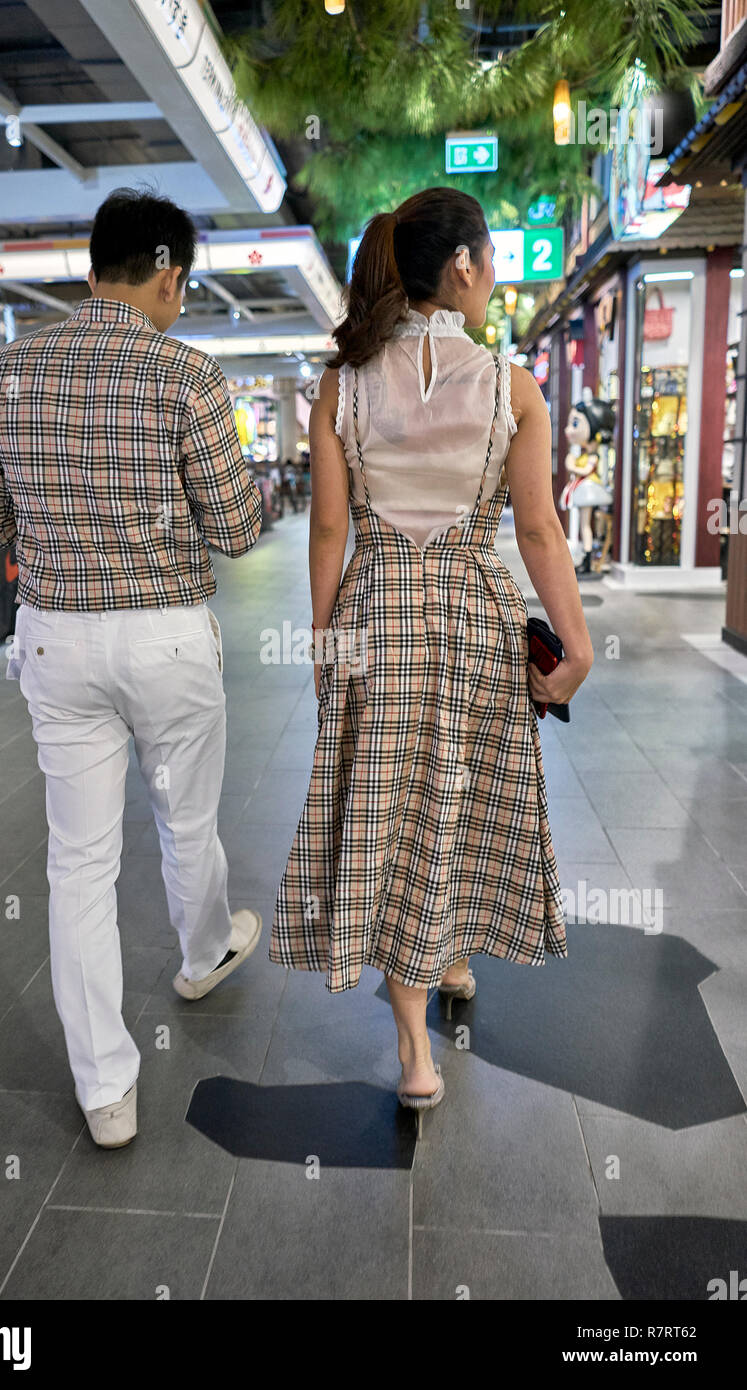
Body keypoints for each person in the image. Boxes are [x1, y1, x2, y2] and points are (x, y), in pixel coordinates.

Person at [270, 187, 593, 1133]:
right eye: (489, 262)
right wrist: (573, 643)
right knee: (456, 792)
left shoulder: (344, 383)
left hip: (375, 611)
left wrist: (326, 649)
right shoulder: (510, 386)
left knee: (388, 802)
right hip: (471, 614)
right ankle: (447, 954)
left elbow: (328, 530)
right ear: (460, 268)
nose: (492, 281)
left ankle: (413, 1047)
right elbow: (535, 529)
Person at [0, 187, 263, 1150]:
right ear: (168, 274)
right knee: (187, 821)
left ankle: (105, 1092)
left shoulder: (1, 376)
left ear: (93, 268)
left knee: (78, 866)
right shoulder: (188, 375)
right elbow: (236, 526)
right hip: (167, 637)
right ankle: (203, 951)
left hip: (56, 638)